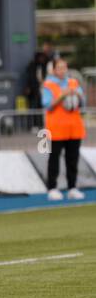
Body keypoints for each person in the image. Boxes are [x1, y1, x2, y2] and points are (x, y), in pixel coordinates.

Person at [41, 56, 86, 201]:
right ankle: (52, 188)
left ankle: (72, 187)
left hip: (74, 128)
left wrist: (77, 94)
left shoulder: (73, 82)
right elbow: (47, 105)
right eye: (59, 67)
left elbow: (82, 102)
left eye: (64, 67)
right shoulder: (48, 85)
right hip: (54, 129)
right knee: (53, 159)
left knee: (72, 159)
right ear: (53, 70)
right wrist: (62, 95)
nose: (62, 70)